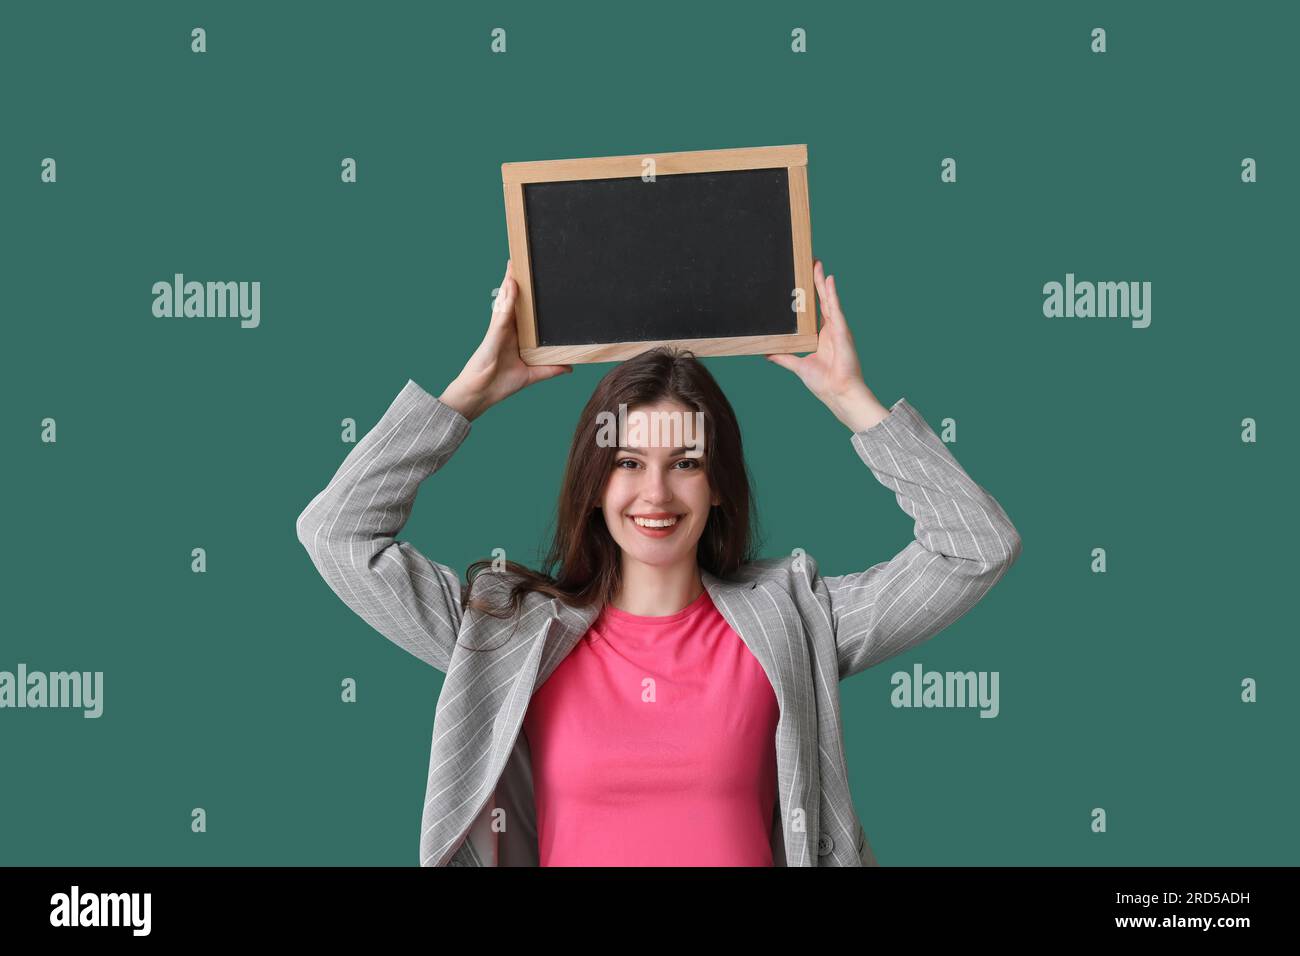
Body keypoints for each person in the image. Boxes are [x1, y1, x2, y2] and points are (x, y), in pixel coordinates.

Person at [295, 258, 1022, 867]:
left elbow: (975, 545)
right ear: (594, 481)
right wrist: (468, 397)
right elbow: (338, 533)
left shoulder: (796, 621)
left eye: (685, 464)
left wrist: (851, 399)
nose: (655, 493)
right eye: (629, 462)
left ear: (718, 486)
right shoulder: (507, 636)